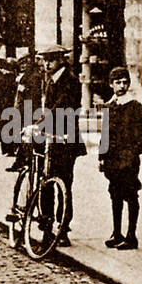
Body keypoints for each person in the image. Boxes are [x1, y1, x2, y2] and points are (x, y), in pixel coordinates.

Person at [99, 67, 142, 250]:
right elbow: (104, 134)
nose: (122, 86)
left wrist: (133, 152)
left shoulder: (135, 107)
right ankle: (117, 232)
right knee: (115, 195)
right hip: (112, 160)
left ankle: (131, 236)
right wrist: (101, 156)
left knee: (130, 195)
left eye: (125, 82)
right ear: (111, 84)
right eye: (118, 82)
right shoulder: (109, 106)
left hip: (128, 161)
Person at [40, 46, 86, 246]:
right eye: (45, 60)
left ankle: (63, 228)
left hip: (66, 138)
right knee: (46, 183)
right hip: (50, 136)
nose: (46, 64)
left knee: (64, 185)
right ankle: (46, 226)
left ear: (61, 60)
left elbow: (63, 106)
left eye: (50, 60)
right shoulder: (50, 80)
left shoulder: (71, 81)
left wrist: (41, 122)